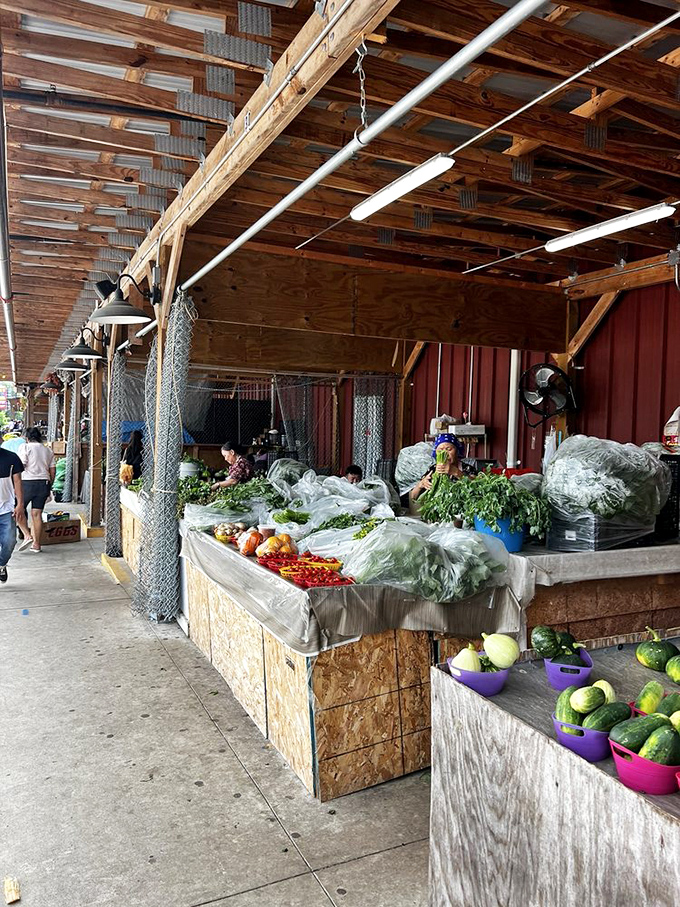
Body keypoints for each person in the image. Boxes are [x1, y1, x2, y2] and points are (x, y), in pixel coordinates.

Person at [409, 433, 473, 512]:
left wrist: (456, 472)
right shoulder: (432, 470)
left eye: (448, 449)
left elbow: (477, 487)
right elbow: (413, 497)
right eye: (440, 450)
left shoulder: (467, 468)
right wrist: (420, 485)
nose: (444, 453)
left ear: (457, 451)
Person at [16, 427, 56, 553]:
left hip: (27, 483)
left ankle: (27, 535)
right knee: (36, 514)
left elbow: (22, 465)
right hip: (43, 483)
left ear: (27, 438)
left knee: (17, 510)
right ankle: (36, 544)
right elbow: (52, 471)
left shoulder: (25, 447)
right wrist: (49, 485)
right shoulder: (48, 450)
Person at [0, 445, 25, 580]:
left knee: (9, 542)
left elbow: (18, 482)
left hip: (6, 509)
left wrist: (20, 504)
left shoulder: (12, 458)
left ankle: (1, 564)